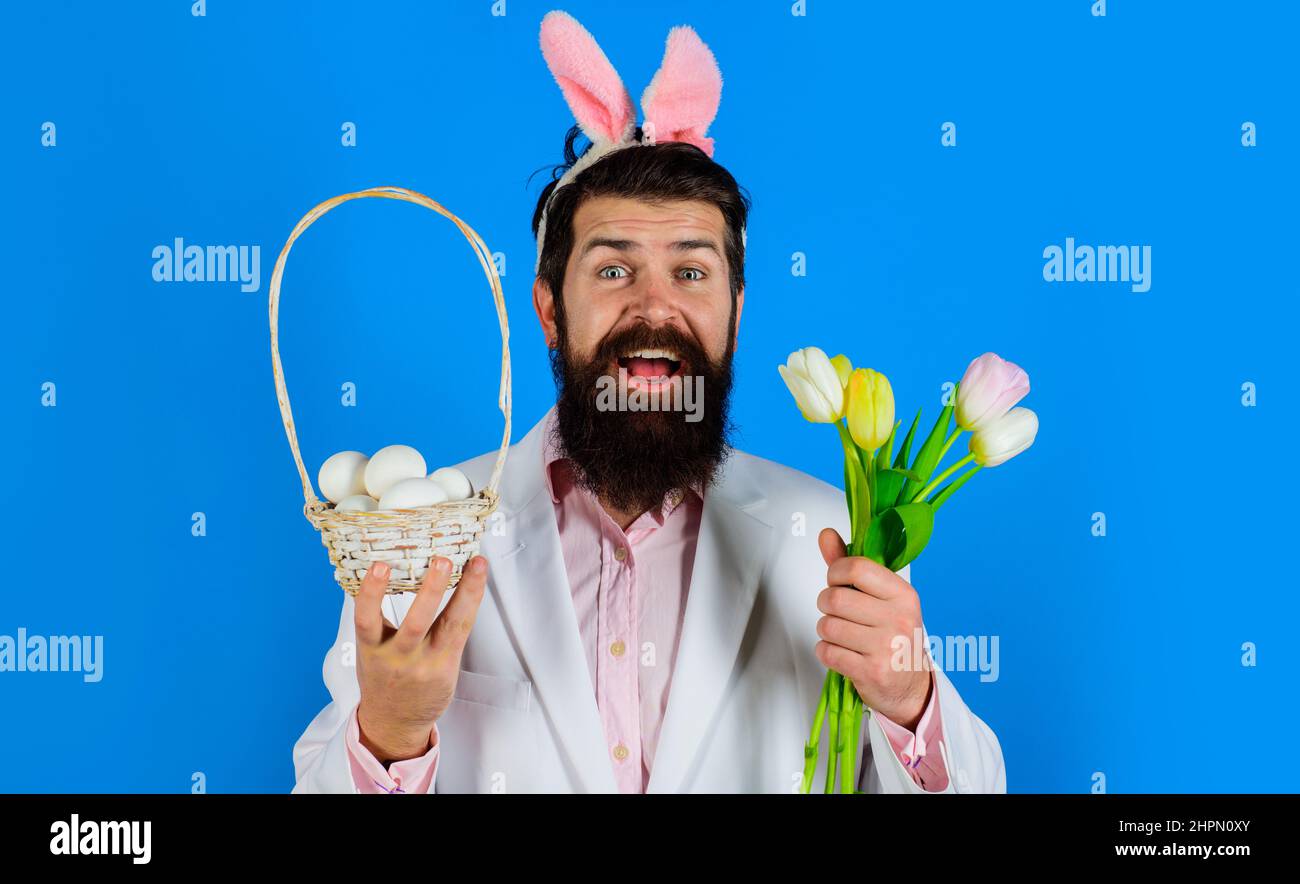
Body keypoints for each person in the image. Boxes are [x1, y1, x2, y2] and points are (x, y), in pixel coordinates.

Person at [292, 10, 1005, 795]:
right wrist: (388, 735)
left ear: (736, 313)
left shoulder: (830, 539)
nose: (655, 309)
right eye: (612, 270)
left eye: (692, 273)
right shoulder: (421, 542)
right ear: (548, 311)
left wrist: (910, 699)